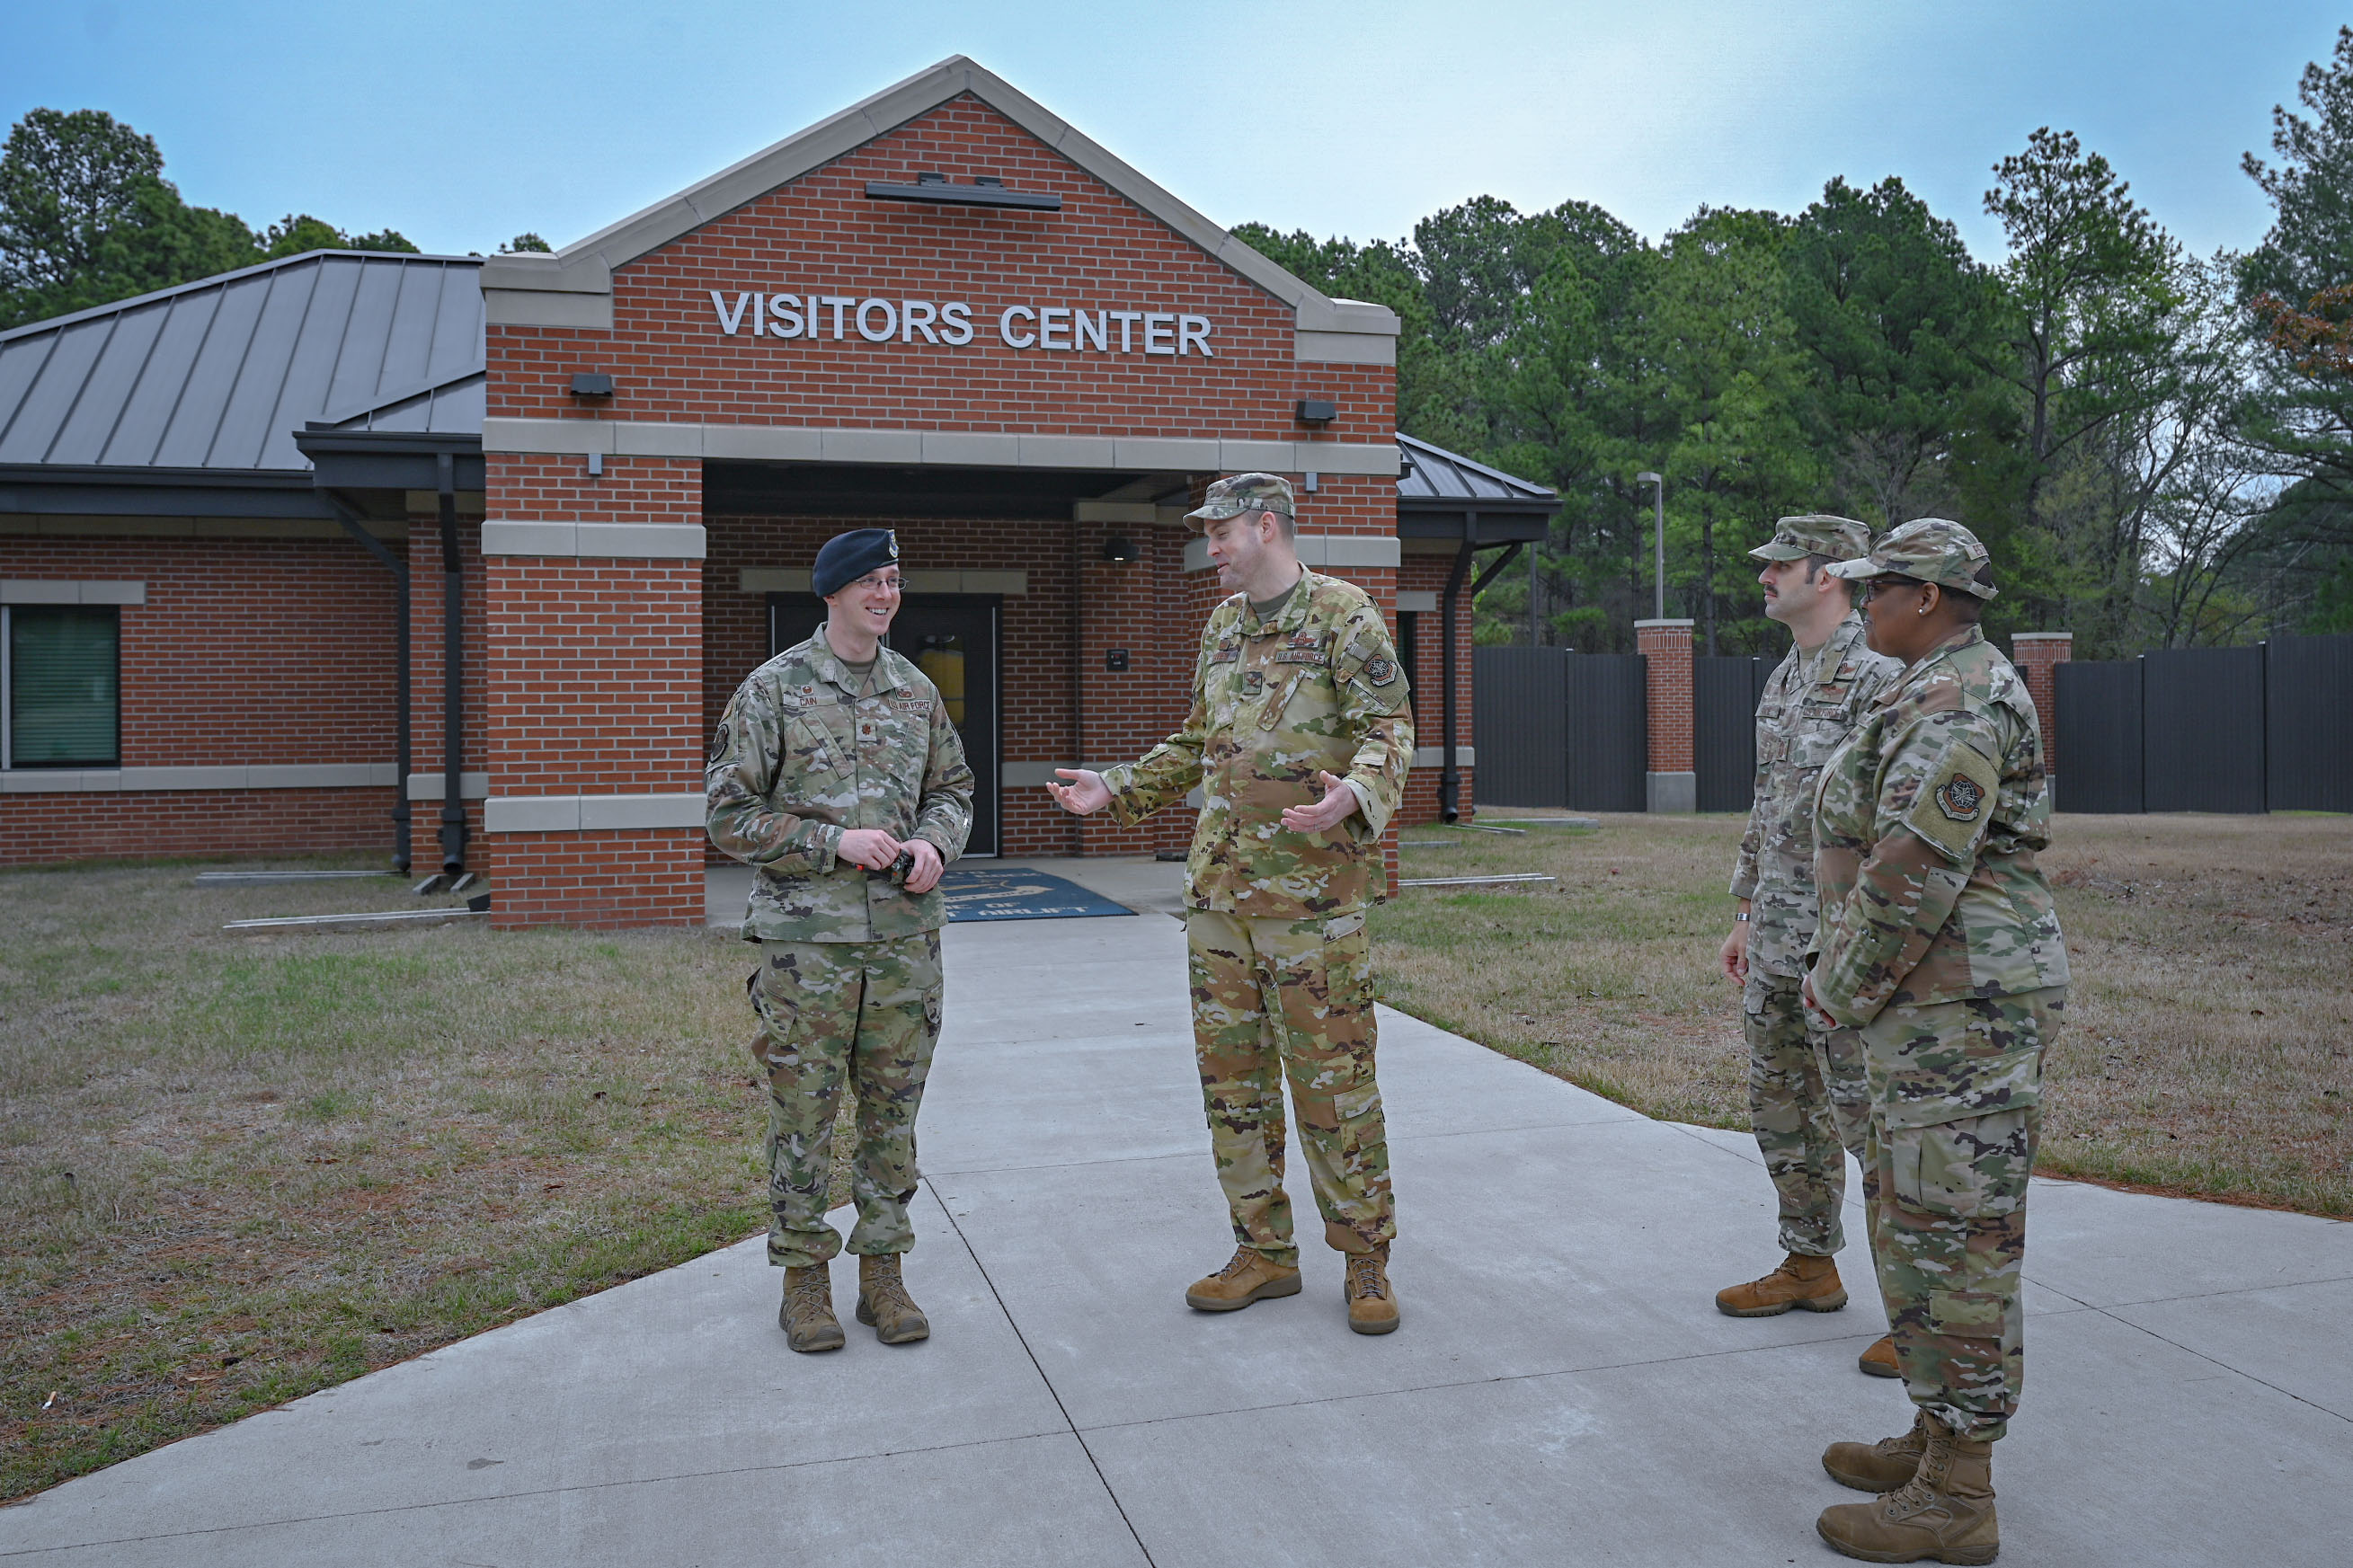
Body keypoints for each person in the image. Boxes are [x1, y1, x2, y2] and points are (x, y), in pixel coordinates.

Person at [1047, 473, 1415, 1334]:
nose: (1208, 547)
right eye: (1204, 533)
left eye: (1220, 532)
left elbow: (1390, 727)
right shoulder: (1219, 626)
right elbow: (1196, 742)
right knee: (1233, 1084)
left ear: (1265, 525)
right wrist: (1119, 787)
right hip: (1219, 895)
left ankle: (1365, 1258)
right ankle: (1263, 1252)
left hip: (1311, 898)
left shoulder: (1343, 614)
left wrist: (1353, 798)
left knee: (1335, 1083)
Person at [1802, 518, 2069, 1564]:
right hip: (1923, 1011)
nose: (1860, 601)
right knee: (1913, 1222)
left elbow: (1915, 863)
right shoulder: (1923, 684)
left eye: (1877, 587)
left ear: (1926, 596)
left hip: (1960, 1011)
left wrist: (1837, 984)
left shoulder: (1959, 695)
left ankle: (1959, 1490)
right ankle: (1930, 1435)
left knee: (1957, 1241)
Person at [706, 527, 975, 1353]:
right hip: (807, 949)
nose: (886, 594)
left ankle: (885, 1279)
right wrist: (833, 844)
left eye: (894, 580)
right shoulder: (774, 690)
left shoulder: (916, 692)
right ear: (833, 592)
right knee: (805, 1115)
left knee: (892, 1117)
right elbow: (727, 813)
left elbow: (954, 789)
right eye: (871, 581)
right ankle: (804, 1285)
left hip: (903, 943)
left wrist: (935, 844)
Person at [1716, 516, 1903, 1381]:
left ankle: (1921, 1311)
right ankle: (1809, 1263)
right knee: (1782, 1104)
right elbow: (1769, 807)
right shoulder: (1786, 678)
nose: (1766, 578)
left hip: (1846, 943)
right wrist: (1748, 910)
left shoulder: (1882, 681)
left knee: (1874, 1121)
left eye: (1779, 564)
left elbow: (1896, 829)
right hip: (1781, 936)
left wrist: (1861, 944)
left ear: (1829, 575)